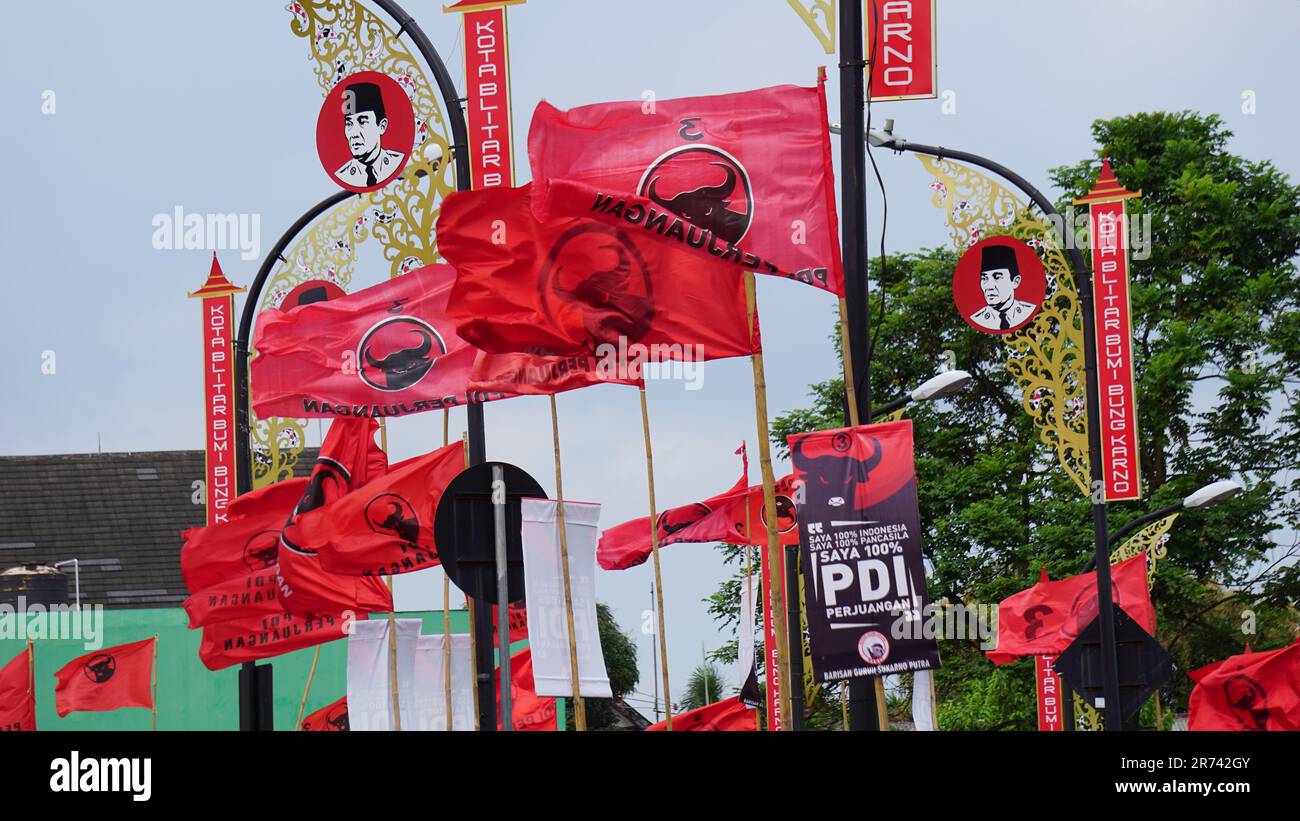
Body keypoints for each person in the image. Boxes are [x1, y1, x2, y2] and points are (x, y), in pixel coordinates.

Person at [334, 81, 405, 188]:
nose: (354, 133)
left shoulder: (399, 163)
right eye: (349, 124)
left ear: (382, 126)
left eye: (362, 122)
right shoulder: (343, 175)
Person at [969, 244, 1036, 331]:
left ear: (1016, 281)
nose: (989, 286)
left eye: (997, 277)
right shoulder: (978, 319)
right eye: (984, 278)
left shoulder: (1029, 311)